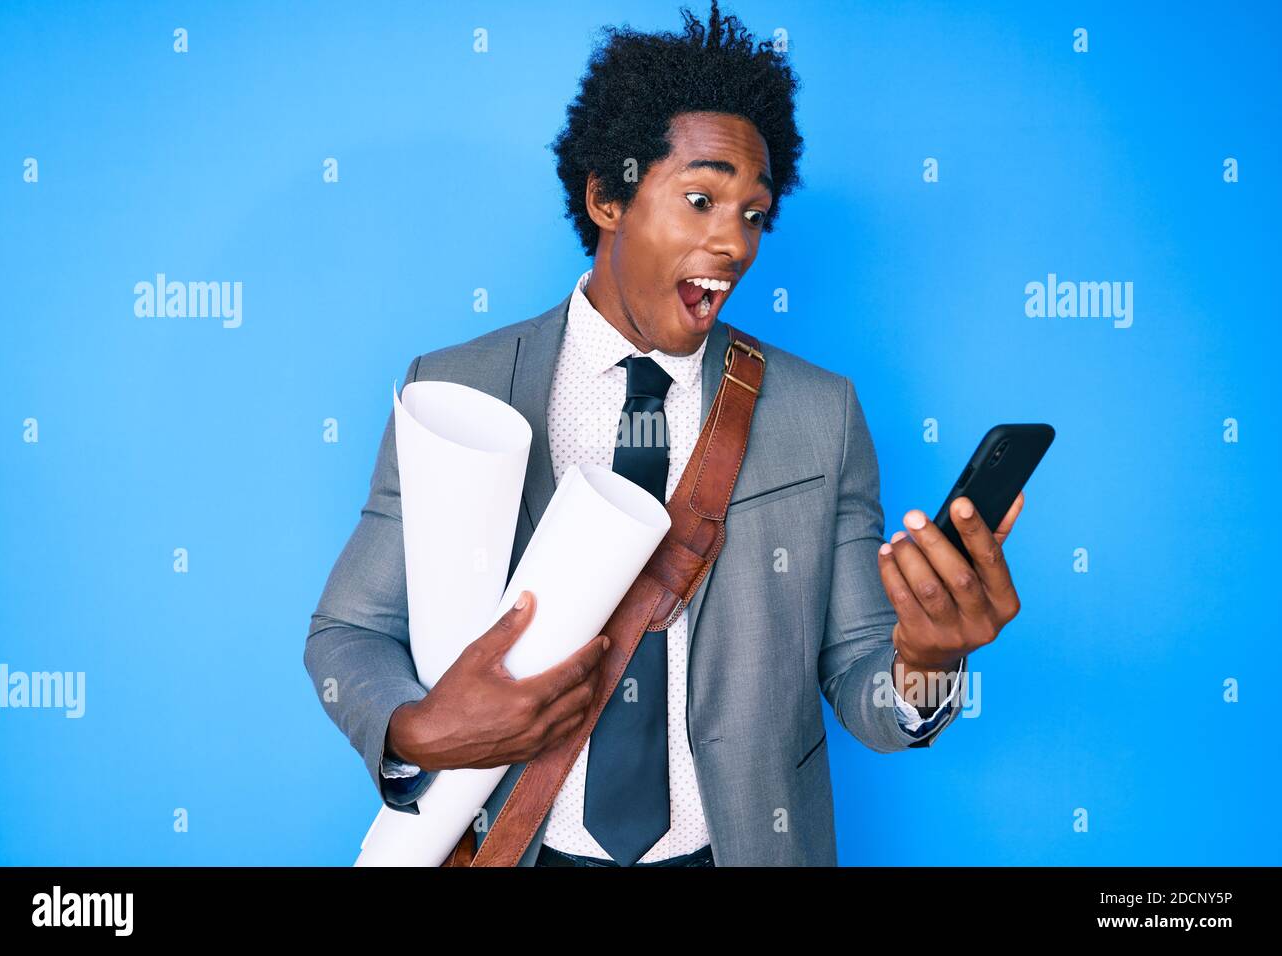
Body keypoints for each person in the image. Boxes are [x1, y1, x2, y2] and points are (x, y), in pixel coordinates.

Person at [304, 0, 1025, 867]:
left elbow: (865, 682)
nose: (734, 244)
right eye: (700, 199)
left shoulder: (819, 414)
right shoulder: (454, 388)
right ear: (607, 196)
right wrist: (420, 729)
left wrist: (925, 660)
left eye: (754, 214)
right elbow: (348, 633)